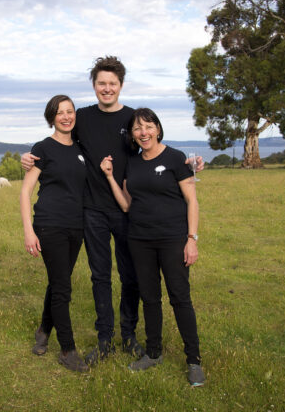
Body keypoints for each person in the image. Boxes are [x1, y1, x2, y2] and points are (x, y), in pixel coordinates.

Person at [22, 56, 203, 366]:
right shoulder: (82, 118)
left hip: (129, 212)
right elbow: (58, 141)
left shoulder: (134, 118)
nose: (107, 88)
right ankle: (104, 338)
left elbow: (154, 147)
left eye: (112, 83)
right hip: (91, 211)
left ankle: (129, 335)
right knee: (100, 277)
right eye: (101, 83)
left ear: (121, 86)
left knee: (132, 277)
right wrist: (28, 157)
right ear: (94, 86)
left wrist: (190, 163)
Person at [100, 107, 205, 386]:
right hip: (139, 240)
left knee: (180, 298)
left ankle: (193, 360)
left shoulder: (175, 158)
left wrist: (191, 239)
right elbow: (126, 204)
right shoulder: (132, 163)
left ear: (157, 128)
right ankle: (154, 353)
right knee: (150, 299)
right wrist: (110, 176)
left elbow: (192, 201)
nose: (143, 133)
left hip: (173, 239)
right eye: (137, 129)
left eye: (148, 127)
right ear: (133, 135)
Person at [20, 94, 89, 372]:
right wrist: (28, 231)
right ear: (52, 117)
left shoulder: (82, 149)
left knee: (58, 281)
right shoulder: (42, 148)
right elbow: (26, 192)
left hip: (77, 227)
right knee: (63, 287)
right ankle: (68, 350)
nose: (66, 116)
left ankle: (43, 331)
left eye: (70, 111)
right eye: (60, 112)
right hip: (49, 225)